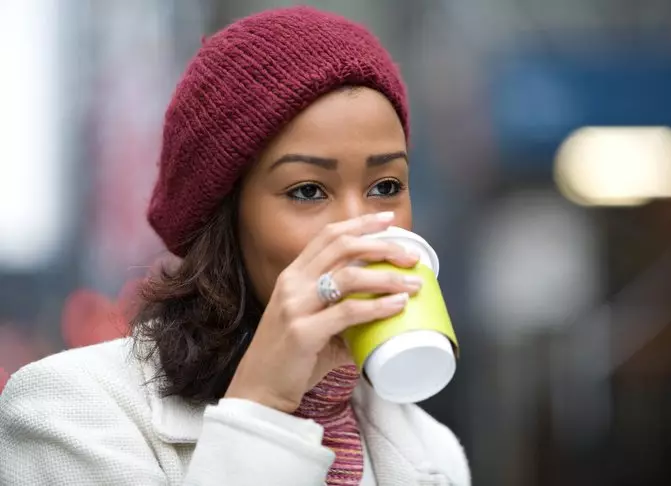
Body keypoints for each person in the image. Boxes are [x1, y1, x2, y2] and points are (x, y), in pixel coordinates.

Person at [0, 6, 470, 486]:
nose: (359, 227)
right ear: (224, 220)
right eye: (307, 190)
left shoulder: (431, 450)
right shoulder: (66, 410)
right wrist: (261, 406)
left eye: (387, 186)